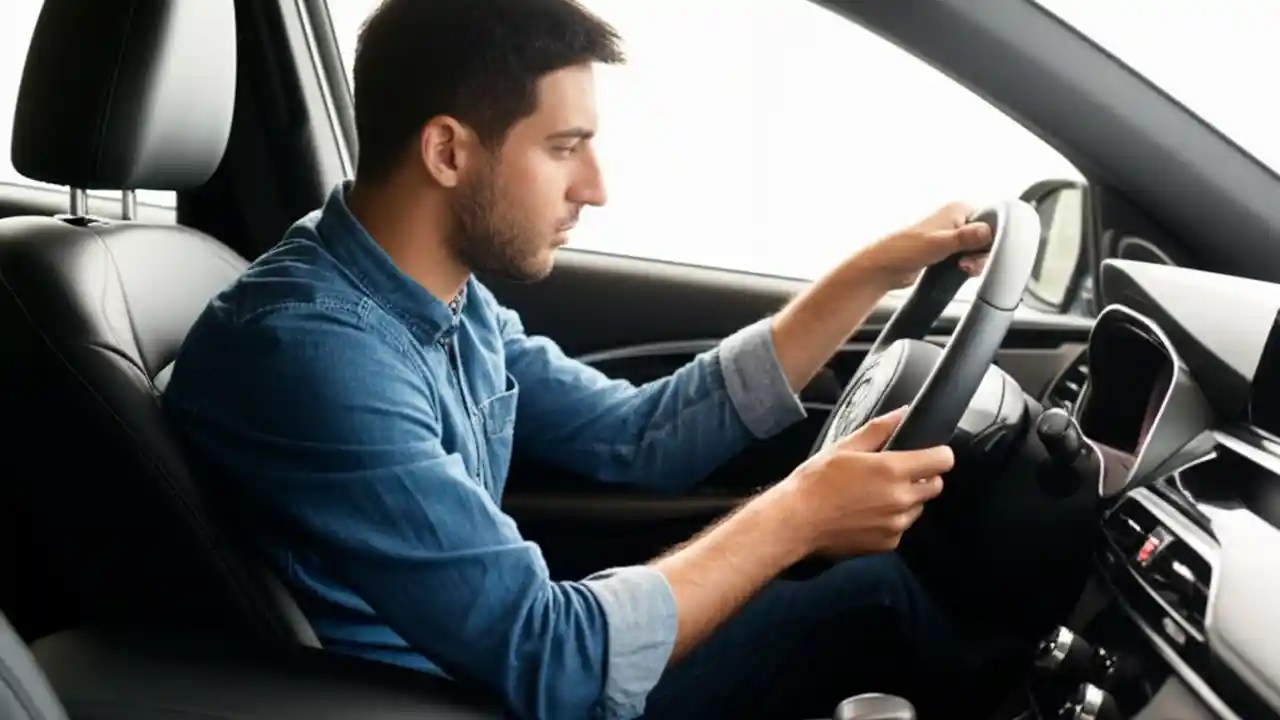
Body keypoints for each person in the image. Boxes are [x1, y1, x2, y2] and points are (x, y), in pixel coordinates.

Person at [163, 0, 995, 717]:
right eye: (565, 146)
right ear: (448, 153)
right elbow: (549, 655)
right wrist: (798, 517)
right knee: (872, 601)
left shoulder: (436, 295)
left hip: (478, 669)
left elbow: (637, 435)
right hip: (446, 698)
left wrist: (873, 271)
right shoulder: (314, 351)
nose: (594, 186)